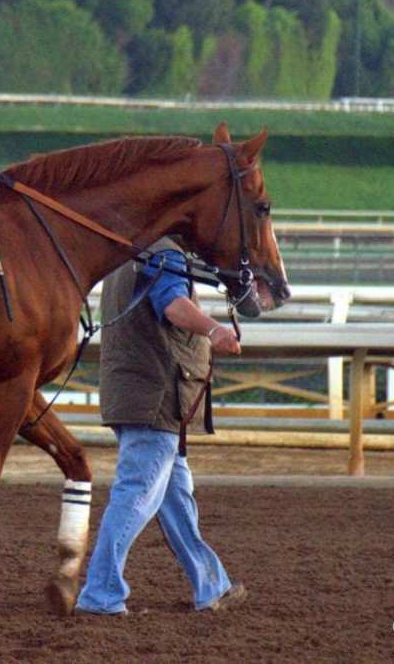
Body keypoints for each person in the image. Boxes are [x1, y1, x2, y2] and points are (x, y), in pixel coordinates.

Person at [75, 237, 248, 616]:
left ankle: (211, 585)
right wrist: (214, 330)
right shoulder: (165, 251)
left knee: (176, 499)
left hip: (138, 393)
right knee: (136, 494)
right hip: (157, 396)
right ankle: (100, 595)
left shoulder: (128, 251)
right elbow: (172, 306)